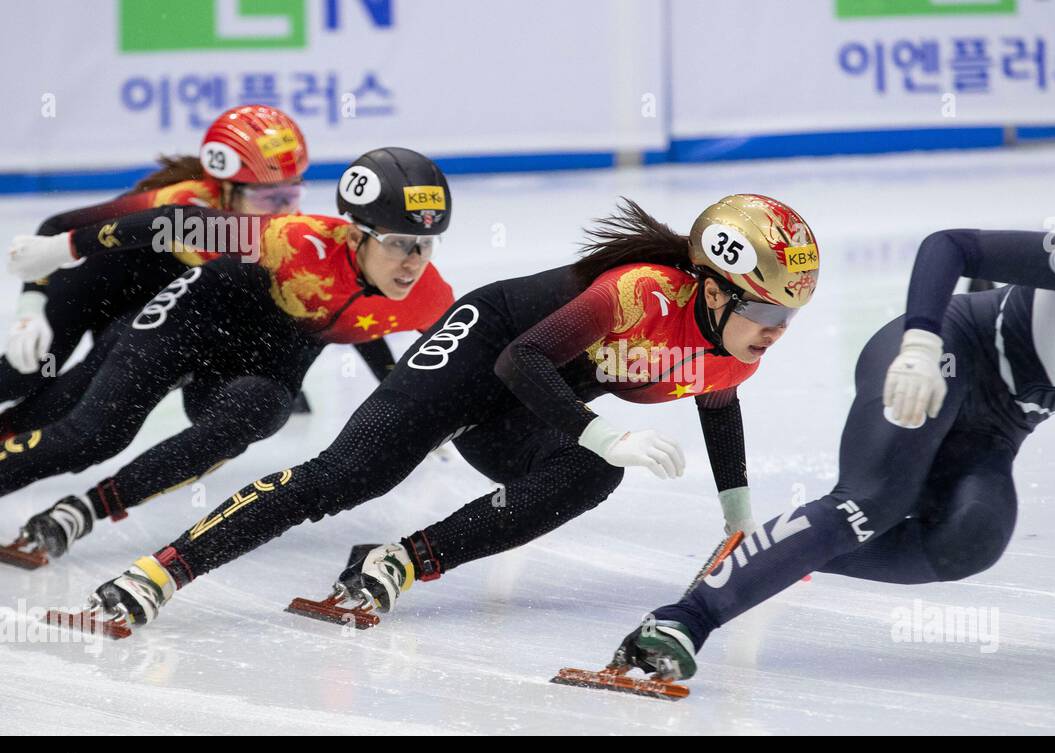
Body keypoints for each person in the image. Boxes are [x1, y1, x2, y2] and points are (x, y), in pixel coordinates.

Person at [606, 189, 1055, 684]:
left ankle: (767, 552)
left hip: (1000, 423)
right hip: (947, 352)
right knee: (872, 503)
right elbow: (953, 246)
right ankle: (682, 619)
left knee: (970, 542)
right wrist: (920, 342)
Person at [76, 194, 821, 629]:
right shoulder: (635, 293)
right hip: (485, 349)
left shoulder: (737, 345)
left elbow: (719, 406)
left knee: (592, 475)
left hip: (526, 412)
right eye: (765, 308)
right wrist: (602, 427)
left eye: (790, 316)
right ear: (714, 288)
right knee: (348, 476)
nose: (776, 330)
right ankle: (161, 571)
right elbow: (521, 360)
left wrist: (737, 521)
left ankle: (398, 561)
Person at [0, 148, 455, 563]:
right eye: (398, 242)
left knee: (263, 410)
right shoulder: (293, 239)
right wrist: (61, 249)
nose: (413, 262)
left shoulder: (429, 296)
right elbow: (173, 222)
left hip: (251, 370)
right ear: (357, 237)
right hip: (185, 323)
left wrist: (442, 416)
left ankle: (81, 512)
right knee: (94, 435)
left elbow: (449, 357)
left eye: (424, 245)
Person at [1, 104, 393, 435]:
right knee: (24, 374)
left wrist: (396, 389)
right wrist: (30, 309)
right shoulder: (181, 202)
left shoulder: (284, 234)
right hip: (96, 280)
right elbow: (55, 229)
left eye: (292, 193)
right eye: (268, 196)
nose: (283, 209)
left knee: (75, 399)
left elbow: (347, 307)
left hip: (150, 300)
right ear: (223, 187)